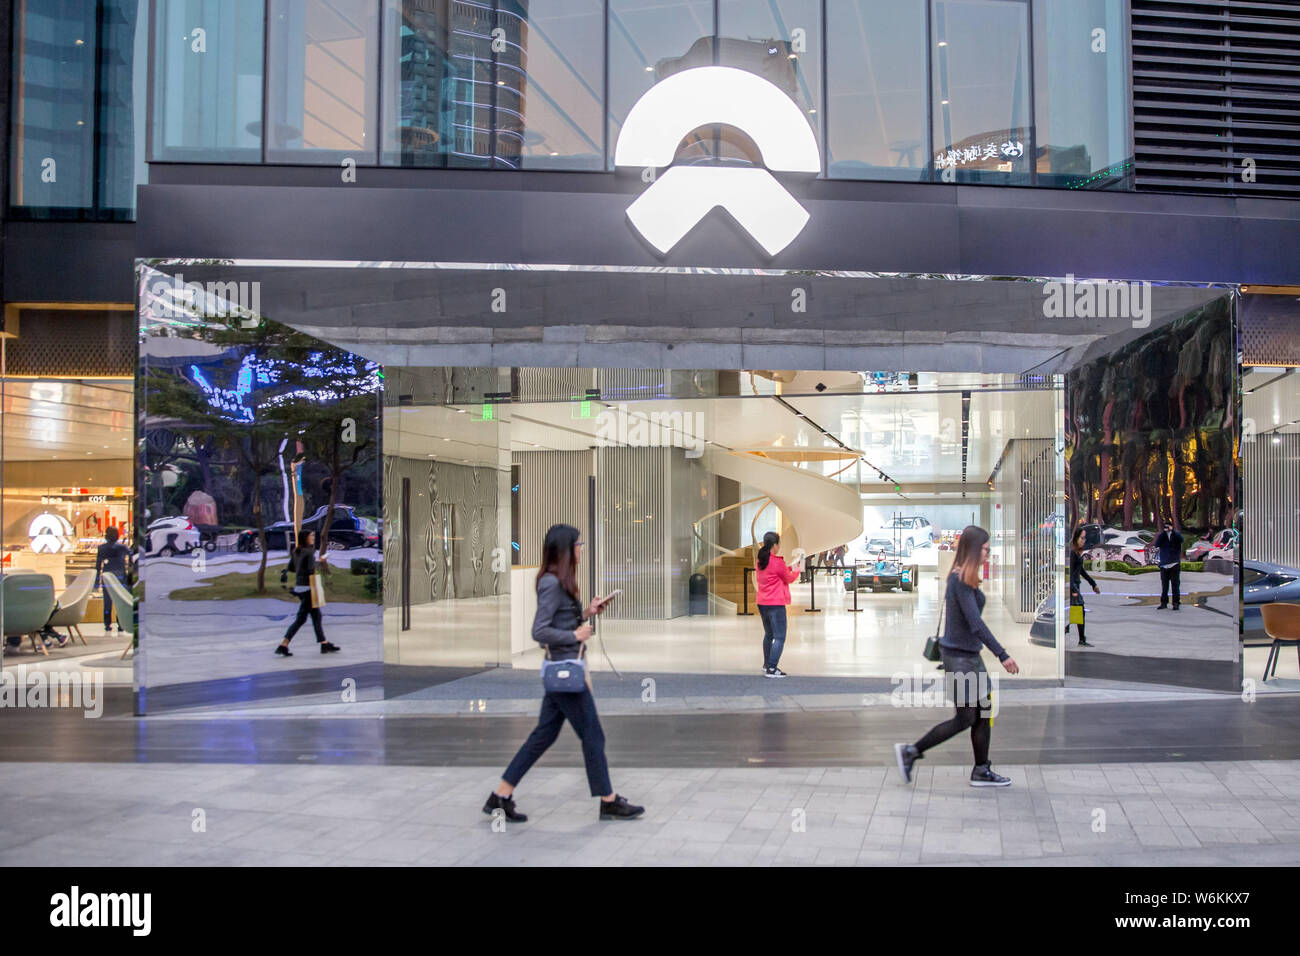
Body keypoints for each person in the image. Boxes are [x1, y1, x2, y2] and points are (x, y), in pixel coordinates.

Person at [484, 523, 644, 823]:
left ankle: (500, 796)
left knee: (543, 735)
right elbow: (540, 631)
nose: (582, 548)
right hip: (565, 674)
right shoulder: (551, 583)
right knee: (593, 735)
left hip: (564, 672)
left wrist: (587, 613)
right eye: (578, 544)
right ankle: (608, 801)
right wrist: (576, 636)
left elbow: (561, 620)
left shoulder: (559, 582)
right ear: (565, 549)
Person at [894, 525, 1019, 788]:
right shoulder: (960, 579)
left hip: (969, 656)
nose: (988, 554)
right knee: (965, 718)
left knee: (984, 713)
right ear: (974, 549)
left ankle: (981, 770)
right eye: (985, 549)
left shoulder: (966, 578)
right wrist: (1002, 654)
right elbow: (976, 624)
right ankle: (911, 752)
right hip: (961, 660)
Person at [275, 530, 340, 656]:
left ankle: (324, 644)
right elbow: (311, 570)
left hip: (300, 587)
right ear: (305, 538)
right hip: (309, 588)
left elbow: (292, 568)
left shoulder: (296, 551)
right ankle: (283, 645)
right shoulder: (309, 552)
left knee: (315, 616)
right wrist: (320, 561)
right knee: (301, 619)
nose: (313, 538)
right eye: (311, 536)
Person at [755, 531, 802, 678]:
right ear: (775, 545)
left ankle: (766, 665)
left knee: (769, 634)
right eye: (779, 544)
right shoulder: (777, 562)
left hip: (762, 602)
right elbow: (788, 578)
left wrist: (788, 568)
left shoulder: (760, 560)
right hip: (776, 603)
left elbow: (778, 573)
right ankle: (772, 668)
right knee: (780, 637)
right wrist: (797, 569)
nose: (779, 547)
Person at [95, 526, 131, 635]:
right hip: (120, 575)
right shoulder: (123, 548)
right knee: (121, 600)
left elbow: (98, 565)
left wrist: (97, 581)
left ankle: (107, 624)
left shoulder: (101, 548)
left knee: (107, 601)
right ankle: (121, 624)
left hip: (107, 576)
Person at [1070, 527, 1101, 646]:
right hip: (1074, 587)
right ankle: (1080, 639)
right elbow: (1072, 572)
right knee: (1079, 611)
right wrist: (1073, 590)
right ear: (1076, 538)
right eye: (1081, 538)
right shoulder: (1073, 553)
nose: (1083, 540)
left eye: (1084, 538)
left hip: (1076, 585)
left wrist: (1093, 584)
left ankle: (1078, 636)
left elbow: (1081, 571)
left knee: (1077, 612)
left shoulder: (1077, 552)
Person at [1153, 520, 1183, 610]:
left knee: (1175, 585)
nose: (1167, 528)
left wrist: (1173, 531)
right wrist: (1163, 533)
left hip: (1174, 563)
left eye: (1168, 526)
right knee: (1164, 586)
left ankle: (1176, 603)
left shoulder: (1175, 535)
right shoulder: (1162, 536)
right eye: (1165, 526)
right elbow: (1156, 544)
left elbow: (1181, 539)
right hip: (1164, 565)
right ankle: (1163, 603)